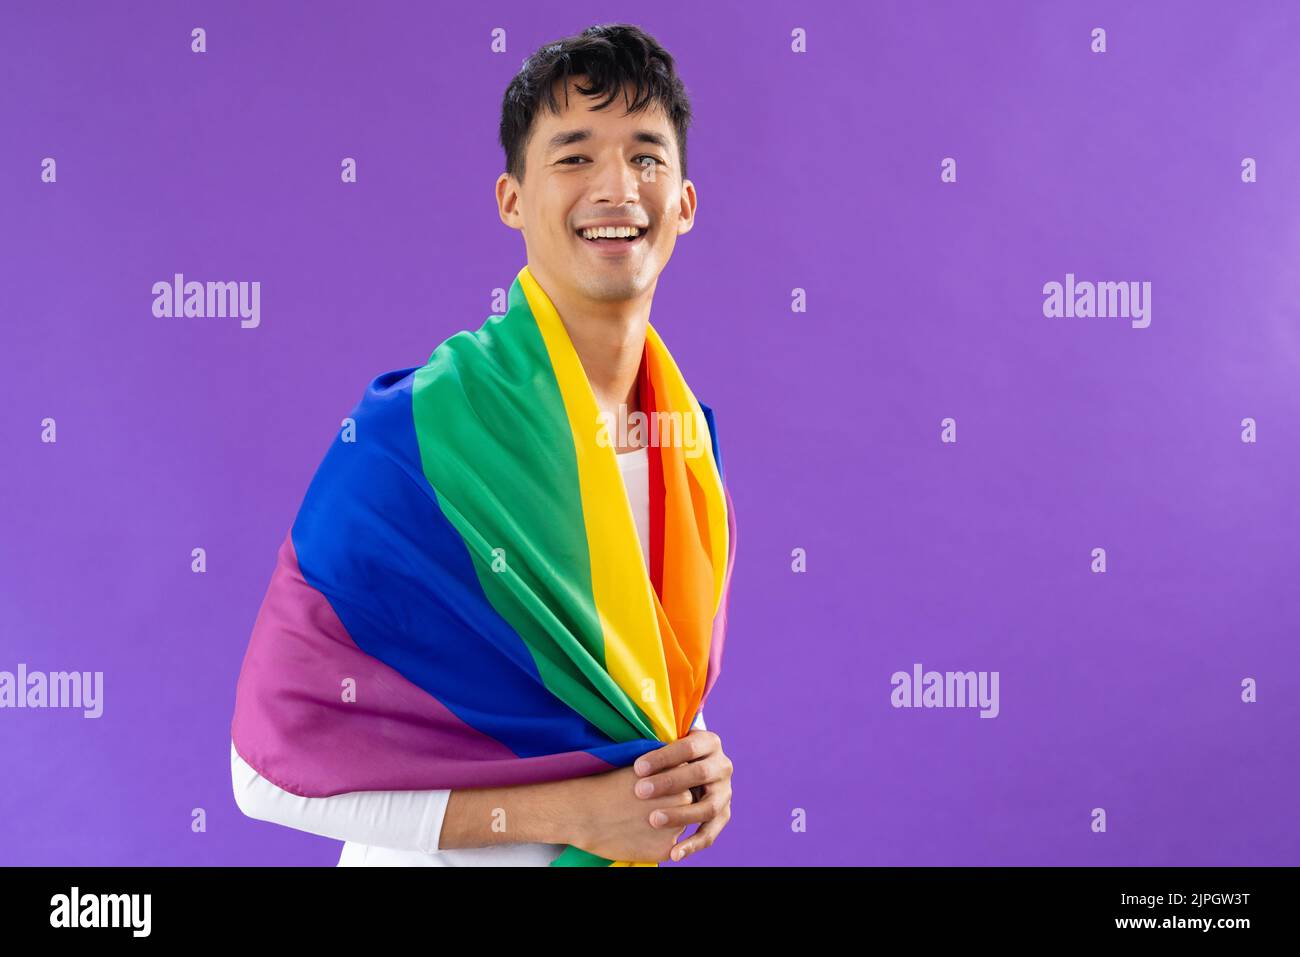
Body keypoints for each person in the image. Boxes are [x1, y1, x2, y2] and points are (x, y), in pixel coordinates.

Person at [231, 23, 734, 866]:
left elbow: (624, 692)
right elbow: (262, 775)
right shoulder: (414, 438)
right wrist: (570, 813)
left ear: (684, 201)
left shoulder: (688, 449)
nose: (617, 186)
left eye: (647, 156)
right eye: (574, 156)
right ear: (511, 198)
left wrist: (695, 758)